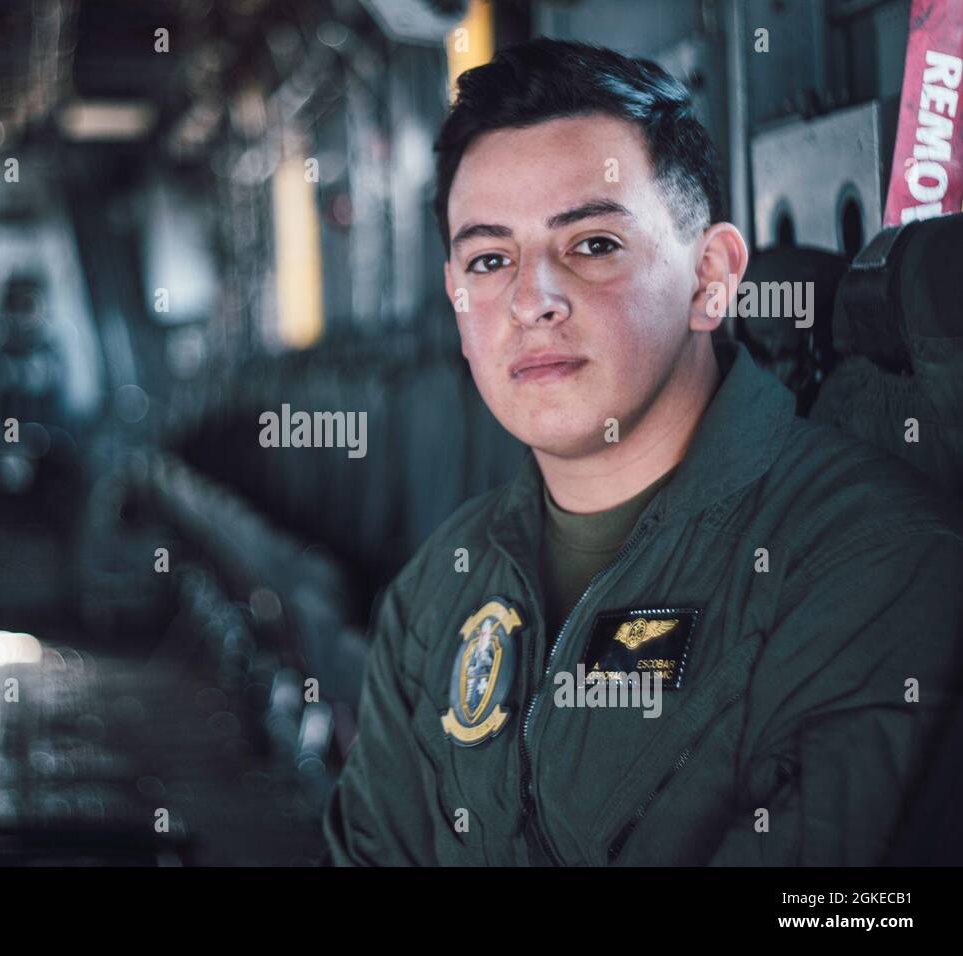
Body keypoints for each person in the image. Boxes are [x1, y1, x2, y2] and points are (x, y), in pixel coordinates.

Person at [322, 37, 963, 865]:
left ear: (712, 278)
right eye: (488, 259)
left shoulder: (873, 566)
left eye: (591, 245)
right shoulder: (438, 591)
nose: (531, 301)